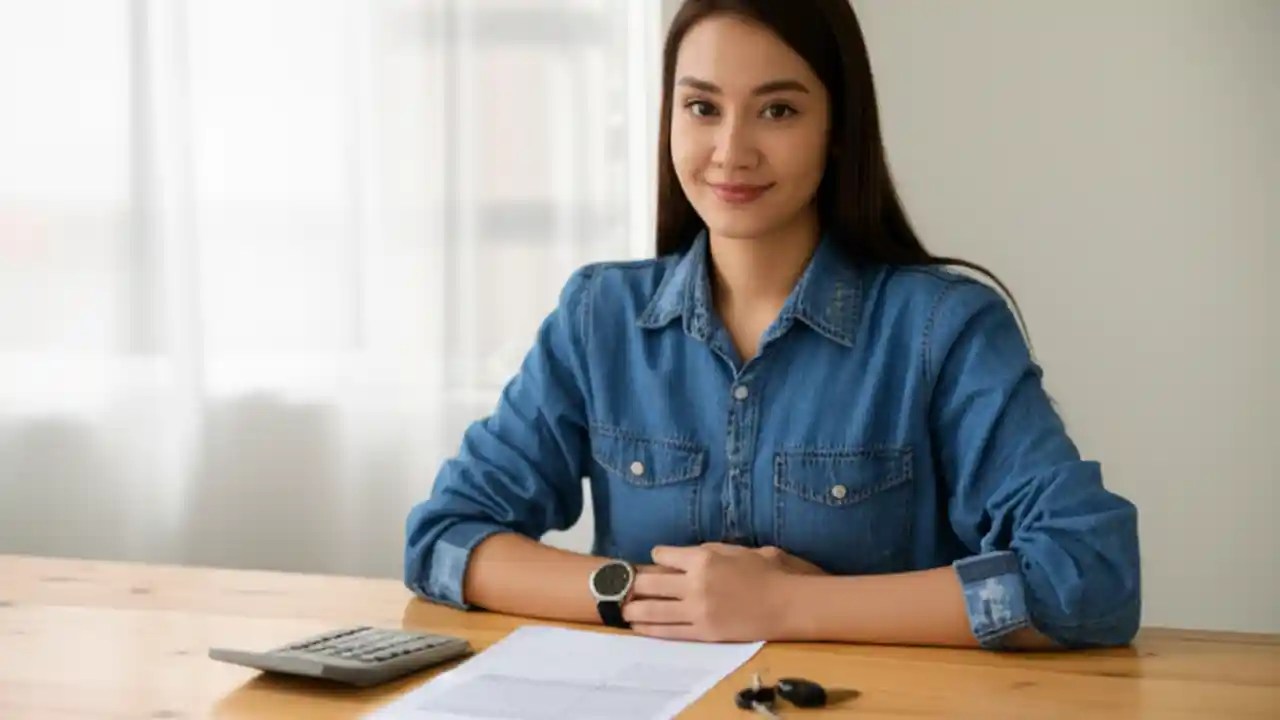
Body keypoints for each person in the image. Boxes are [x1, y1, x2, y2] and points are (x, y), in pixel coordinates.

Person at [403, 0, 1140, 650]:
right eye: (701, 108)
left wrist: (787, 604)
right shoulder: (599, 318)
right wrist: (651, 595)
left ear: (839, 129)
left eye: (778, 110)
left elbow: (1090, 574)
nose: (732, 151)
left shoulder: (943, 329)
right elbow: (446, 538)